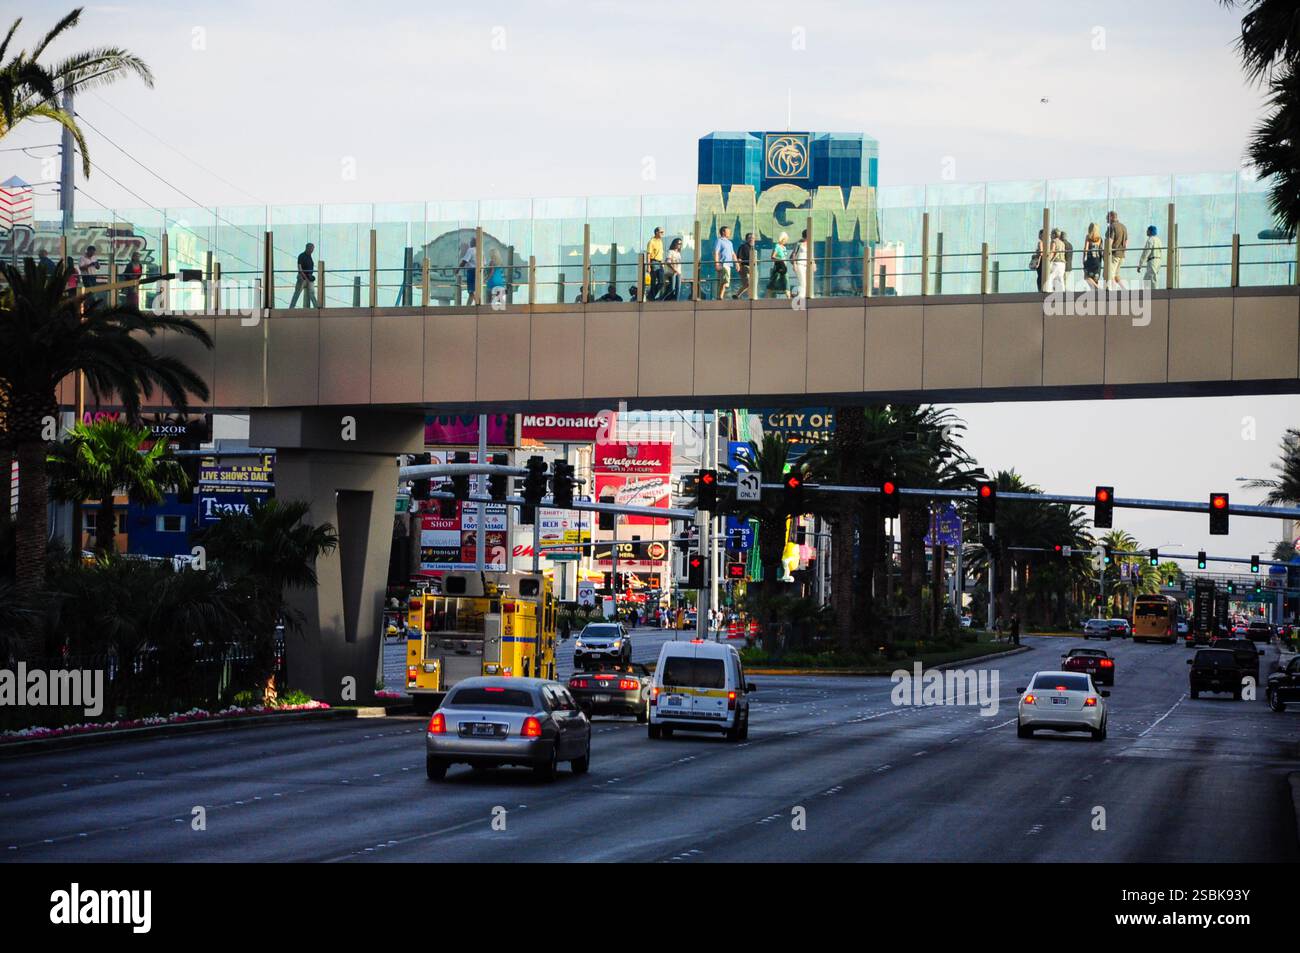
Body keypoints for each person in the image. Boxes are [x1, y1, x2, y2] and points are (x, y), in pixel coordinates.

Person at [289, 242, 317, 308]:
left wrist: (309, 278)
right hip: (302, 278)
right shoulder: (301, 256)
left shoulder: (310, 257)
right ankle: (291, 308)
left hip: (309, 278)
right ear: (307, 248)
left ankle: (316, 307)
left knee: (312, 293)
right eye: (311, 249)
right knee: (297, 293)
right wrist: (305, 277)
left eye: (313, 249)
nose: (312, 250)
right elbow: (300, 268)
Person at [1105, 210, 1128, 289]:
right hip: (1122, 255)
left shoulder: (1112, 227)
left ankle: (1112, 291)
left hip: (1114, 254)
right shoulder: (1123, 226)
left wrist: (1107, 252)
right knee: (1116, 275)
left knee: (1110, 274)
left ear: (1111, 217)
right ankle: (1125, 289)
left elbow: (1110, 241)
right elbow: (1126, 242)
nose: (1106, 220)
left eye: (1107, 217)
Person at [791, 228, 816, 298]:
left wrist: (814, 264)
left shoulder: (810, 245)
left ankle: (805, 295)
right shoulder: (799, 244)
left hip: (807, 265)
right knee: (803, 282)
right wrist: (794, 264)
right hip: (800, 264)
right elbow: (794, 254)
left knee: (808, 282)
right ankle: (802, 297)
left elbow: (812, 255)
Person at [714, 225, 736, 299]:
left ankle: (720, 295)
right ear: (723, 232)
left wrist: (737, 264)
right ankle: (720, 296)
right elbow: (716, 252)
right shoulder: (719, 241)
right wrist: (717, 263)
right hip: (722, 264)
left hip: (729, 264)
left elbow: (733, 254)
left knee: (726, 283)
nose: (729, 233)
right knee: (724, 280)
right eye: (728, 231)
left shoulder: (730, 243)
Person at [768, 232, 790, 297]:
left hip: (784, 268)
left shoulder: (784, 247)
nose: (786, 241)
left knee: (786, 284)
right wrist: (781, 260)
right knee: (771, 285)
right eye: (786, 239)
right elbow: (772, 257)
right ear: (783, 239)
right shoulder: (777, 246)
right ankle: (766, 300)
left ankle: (789, 298)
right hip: (778, 268)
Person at [734, 232, 755, 298]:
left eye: (753, 238)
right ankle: (749, 296)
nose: (752, 239)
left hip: (752, 267)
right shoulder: (743, 246)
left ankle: (737, 295)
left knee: (749, 284)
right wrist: (739, 267)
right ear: (746, 239)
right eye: (750, 238)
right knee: (748, 283)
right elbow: (739, 258)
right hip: (745, 267)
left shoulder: (753, 248)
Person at [1082, 222, 1103, 288]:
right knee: (1095, 279)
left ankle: (1098, 288)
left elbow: (1086, 249)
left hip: (1090, 260)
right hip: (1097, 260)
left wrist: (1083, 259)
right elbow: (1101, 249)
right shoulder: (1100, 238)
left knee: (1086, 276)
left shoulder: (1088, 237)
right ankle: (1096, 294)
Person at [646, 226, 665, 301]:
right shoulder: (651, 242)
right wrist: (648, 266)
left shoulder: (660, 241)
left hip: (660, 262)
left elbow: (661, 253)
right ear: (657, 232)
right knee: (653, 282)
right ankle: (651, 297)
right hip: (653, 261)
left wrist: (662, 263)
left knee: (661, 282)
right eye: (661, 232)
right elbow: (648, 254)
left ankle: (650, 296)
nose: (662, 234)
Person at [459, 237, 478, 305]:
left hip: (471, 271)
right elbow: (484, 263)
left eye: (471, 241)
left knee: (471, 291)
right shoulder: (480, 251)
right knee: (474, 290)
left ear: (473, 242)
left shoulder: (471, 250)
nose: (470, 243)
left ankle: (468, 307)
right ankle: (478, 304)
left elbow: (464, 261)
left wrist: (458, 269)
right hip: (478, 272)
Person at [1048, 228, 1066, 292]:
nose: (1050, 235)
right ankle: (1062, 292)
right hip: (1063, 263)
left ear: (1054, 234)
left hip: (1056, 262)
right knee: (1060, 278)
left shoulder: (1053, 241)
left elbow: (1052, 251)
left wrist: (1048, 260)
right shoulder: (1062, 243)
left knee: (1050, 277)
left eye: (1051, 234)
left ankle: (1049, 291)